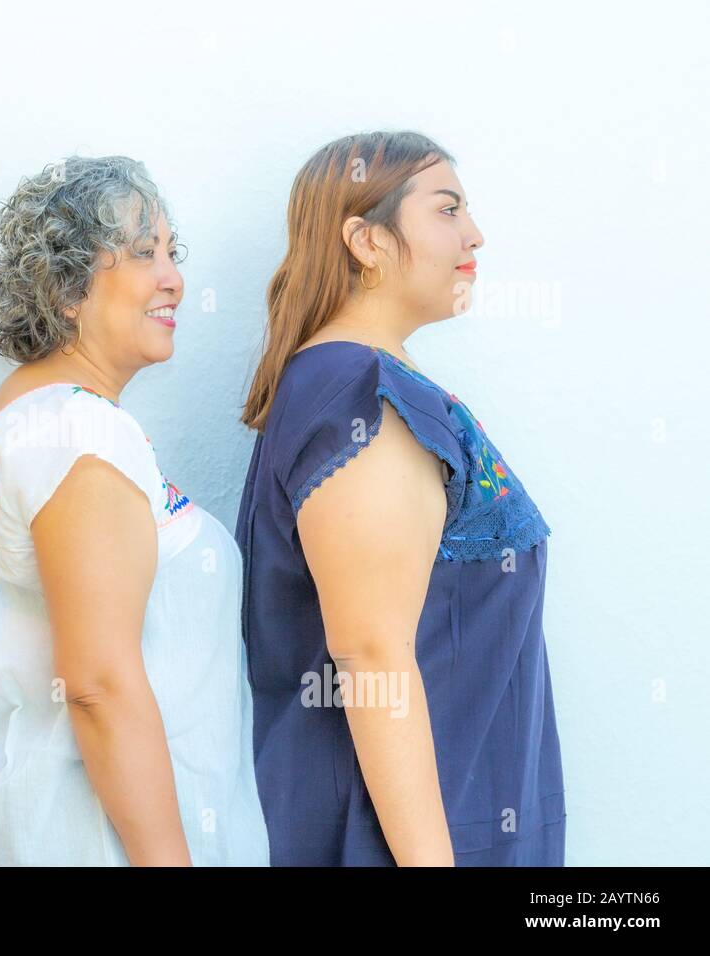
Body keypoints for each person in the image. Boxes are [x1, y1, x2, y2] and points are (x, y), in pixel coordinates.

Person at [236, 131, 565, 865]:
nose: (474, 234)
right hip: (391, 842)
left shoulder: (365, 384)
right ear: (366, 240)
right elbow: (371, 653)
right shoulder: (360, 393)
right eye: (447, 210)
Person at [0, 156, 269, 865]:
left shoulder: (43, 412)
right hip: (95, 842)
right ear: (67, 290)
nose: (173, 277)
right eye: (142, 251)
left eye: (172, 251)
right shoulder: (79, 431)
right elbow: (96, 683)